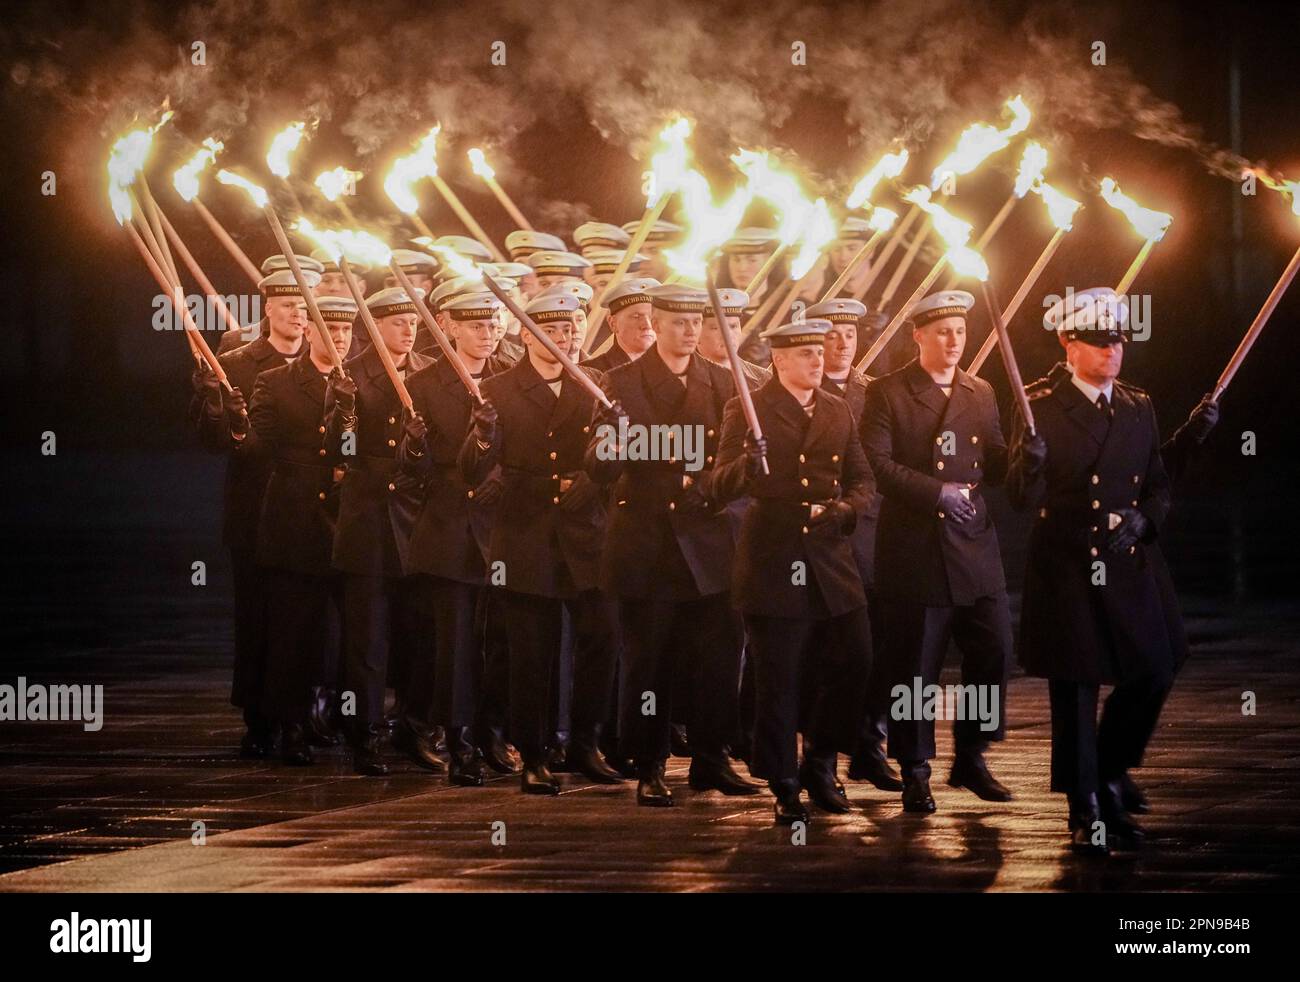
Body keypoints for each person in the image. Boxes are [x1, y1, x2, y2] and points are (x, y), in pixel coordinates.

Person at [1007, 288, 1180, 856]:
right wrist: (1026, 465)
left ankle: (1109, 771)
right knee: (1076, 687)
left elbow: (1157, 482)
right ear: (1068, 343)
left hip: (1128, 559)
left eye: (1119, 341)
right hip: (1068, 562)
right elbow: (1017, 497)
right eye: (1100, 341)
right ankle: (1084, 809)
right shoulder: (1039, 406)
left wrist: (1143, 520)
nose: (1113, 351)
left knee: (1155, 668)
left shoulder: (1137, 405)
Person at [585, 283, 760, 806]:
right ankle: (650, 761)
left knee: (718, 658)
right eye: (677, 323)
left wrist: (719, 475)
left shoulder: (726, 383)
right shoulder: (617, 384)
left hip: (710, 542)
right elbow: (597, 468)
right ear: (654, 325)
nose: (688, 332)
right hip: (648, 542)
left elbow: (733, 464)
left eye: (695, 323)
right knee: (648, 662)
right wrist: (613, 442)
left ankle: (711, 758)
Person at [711, 318, 876, 823]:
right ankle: (784, 783)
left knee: (856, 660)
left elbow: (862, 478)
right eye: (804, 353)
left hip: (830, 560)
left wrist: (846, 511)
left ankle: (822, 761)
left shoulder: (837, 408)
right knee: (777, 678)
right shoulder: (747, 408)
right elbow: (718, 487)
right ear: (778, 360)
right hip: (775, 559)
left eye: (819, 351)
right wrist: (745, 462)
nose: (817, 360)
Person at [460, 290, 623, 792]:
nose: (566, 338)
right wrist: (484, 436)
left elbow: (611, 467)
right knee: (532, 651)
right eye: (553, 330)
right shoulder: (500, 388)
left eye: (573, 328)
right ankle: (534, 753)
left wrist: (613, 445)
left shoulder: (597, 384)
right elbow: (473, 468)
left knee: (603, 638)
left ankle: (586, 743)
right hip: (526, 531)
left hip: (586, 532)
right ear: (530, 336)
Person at [858, 290, 1013, 813]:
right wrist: (936, 492)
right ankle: (915, 768)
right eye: (942, 332)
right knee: (915, 669)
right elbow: (876, 464)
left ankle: (971, 753)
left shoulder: (981, 390)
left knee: (993, 652)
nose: (953, 341)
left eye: (960, 332)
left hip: (973, 544)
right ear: (919, 335)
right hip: (916, 547)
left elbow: (991, 457)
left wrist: (1024, 458)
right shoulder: (888, 392)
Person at [192, 267, 314, 757]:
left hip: (305, 512)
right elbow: (210, 441)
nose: (298, 315)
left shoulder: (322, 360)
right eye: (288, 306)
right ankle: (258, 718)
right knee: (257, 617)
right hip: (252, 510)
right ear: (267, 308)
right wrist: (214, 405)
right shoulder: (237, 361)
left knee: (301, 621)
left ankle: (296, 719)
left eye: (304, 307)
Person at [400, 291, 514, 786]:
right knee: (456, 645)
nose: (486, 335)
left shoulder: (512, 379)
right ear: (450, 328)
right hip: (450, 528)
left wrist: (503, 474)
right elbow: (413, 471)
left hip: (507, 529)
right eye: (475, 327)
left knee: (501, 643)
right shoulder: (423, 385)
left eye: (491, 326)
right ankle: (459, 740)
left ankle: (493, 732)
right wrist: (414, 446)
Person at [237, 297, 356, 764]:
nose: (340, 340)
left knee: (345, 636)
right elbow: (254, 449)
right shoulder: (275, 382)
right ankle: (289, 725)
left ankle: (338, 718)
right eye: (331, 331)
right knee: (292, 633)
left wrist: (348, 419)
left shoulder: (362, 383)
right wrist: (232, 419)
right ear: (310, 333)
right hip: (295, 522)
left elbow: (358, 451)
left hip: (349, 525)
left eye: (347, 333)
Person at [329, 286, 435, 775]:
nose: (409, 329)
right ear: (374, 327)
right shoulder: (351, 372)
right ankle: (364, 732)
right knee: (366, 642)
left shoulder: (432, 371)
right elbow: (341, 450)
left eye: (413, 321)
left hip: (418, 521)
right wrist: (345, 412)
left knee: (419, 635)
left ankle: (413, 728)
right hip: (369, 520)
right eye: (398, 322)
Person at [804, 298, 901, 792]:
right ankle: (818, 757)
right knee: (831, 656)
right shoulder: (801, 391)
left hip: (875, 538)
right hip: (821, 542)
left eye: (849, 334)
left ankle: (869, 745)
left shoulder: (877, 393)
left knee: (880, 652)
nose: (842, 343)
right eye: (831, 335)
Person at [582, 277, 660, 373]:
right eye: (636, 316)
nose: (647, 325)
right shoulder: (588, 374)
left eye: (652, 317)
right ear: (613, 323)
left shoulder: (675, 369)